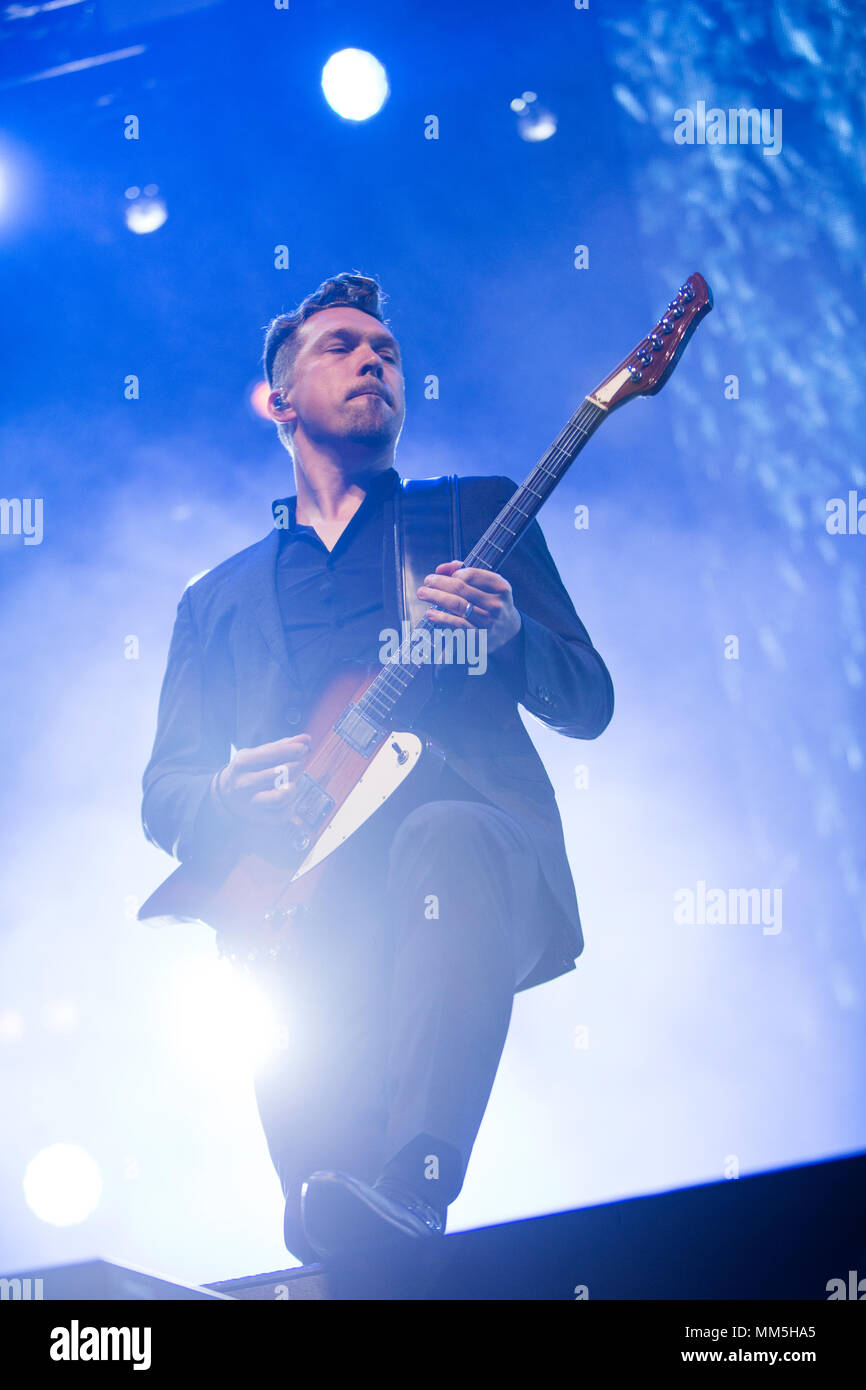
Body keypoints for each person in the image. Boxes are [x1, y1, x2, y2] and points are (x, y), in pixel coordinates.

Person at [141, 272, 614, 1264]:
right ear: (278, 401)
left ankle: (423, 1175)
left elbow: (587, 700)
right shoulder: (215, 600)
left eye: (387, 351)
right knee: (327, 1225)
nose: (374, 361)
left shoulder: (471, 516)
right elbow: (166, 794)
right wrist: (227, 793)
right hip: (294, 909)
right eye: (342, 347)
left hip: (456, 864)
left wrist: (509, 633)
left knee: (447, 832)